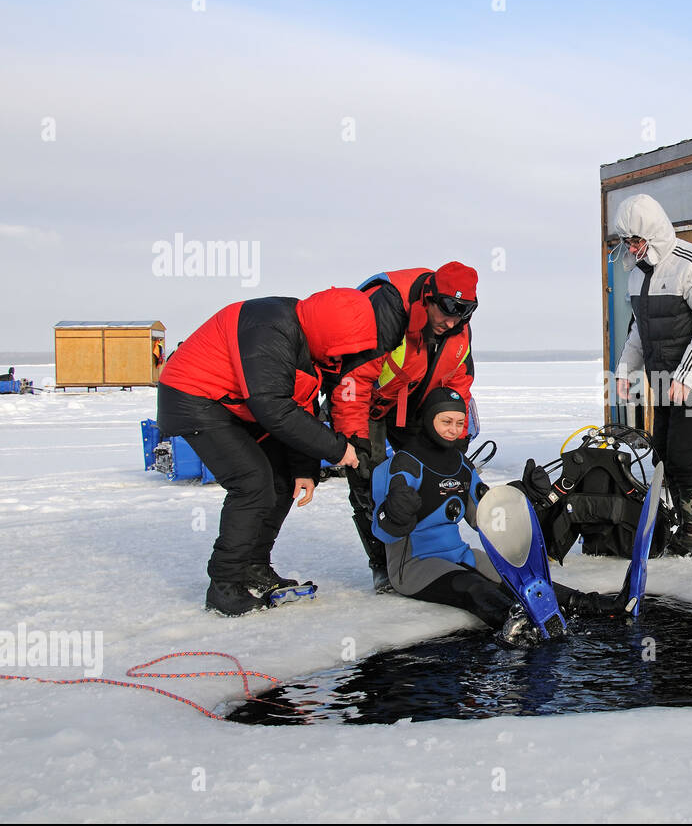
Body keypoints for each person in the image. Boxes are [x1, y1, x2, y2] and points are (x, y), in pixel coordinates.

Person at [158, 286, 407, 616]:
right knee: (251, 482)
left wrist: (303, 468)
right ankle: (224, 585)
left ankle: (255, 568)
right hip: (194, 397)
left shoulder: (313, 349)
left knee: (281, 480)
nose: (341, 360)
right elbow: (272, 408)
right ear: (330, 333)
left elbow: (299, 408)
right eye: (341, 352)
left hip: (238, 404)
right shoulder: (270, 327)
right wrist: (336, 449)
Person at [371, 388, 623, 644]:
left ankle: (594, 605)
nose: (453, 430)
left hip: (458, 555)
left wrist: (526, 493)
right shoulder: (405, 464)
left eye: (459, 423)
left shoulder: (460, 464)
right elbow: (382, 531)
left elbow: (489, 513)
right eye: (445, 421)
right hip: (414, 564)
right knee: (474, 587)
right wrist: (396, 513)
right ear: (428, 419)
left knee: (526, 579)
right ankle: (520, 628)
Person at [329, 264, 478, 594]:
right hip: (366, 403)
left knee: (436, 469)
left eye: (462, 314)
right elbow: (354, 378)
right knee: (371, 477)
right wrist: (355, 438)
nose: (451, 322)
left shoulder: (457, 324)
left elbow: (458, 381)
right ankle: (383, 564)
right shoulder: (387, 309)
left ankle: (428, 552)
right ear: (428, 298)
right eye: (446, 312)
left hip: (411, 401)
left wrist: (457, 431)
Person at [612, 194, 692, 556]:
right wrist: (626, 372)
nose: (632, 248)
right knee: (662, 455)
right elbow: (639, 329)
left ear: (653, 233)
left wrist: (687, 376)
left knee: (685, 455)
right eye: (627, 242)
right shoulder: (638, 275)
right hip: (666, 383)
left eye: (637, 240)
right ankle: (678, 525)